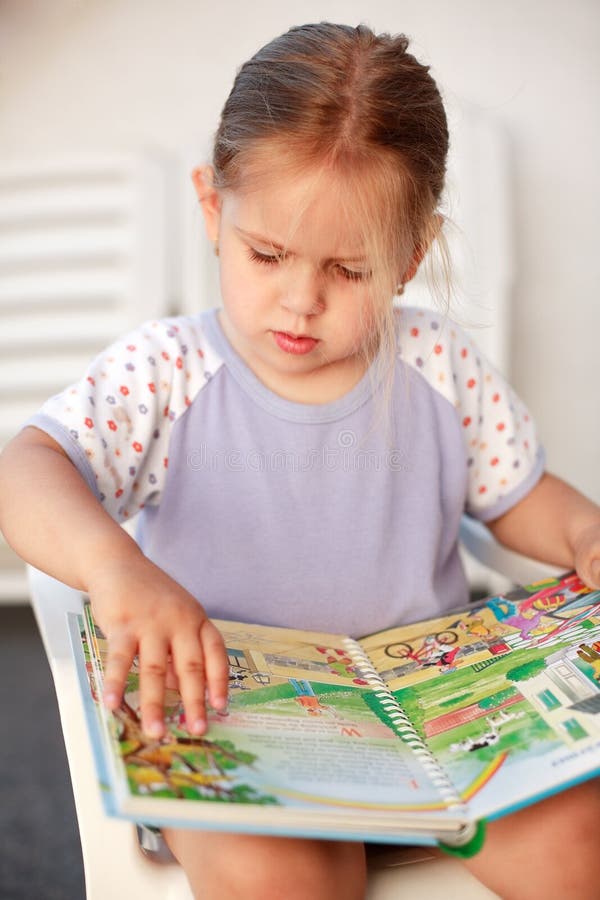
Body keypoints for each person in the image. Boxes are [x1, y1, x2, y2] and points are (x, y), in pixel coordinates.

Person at [1, 21, 599, 900]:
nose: (300, 300)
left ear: (410, 258)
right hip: (238, 721)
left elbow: (514, 499)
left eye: (349, 271)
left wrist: (583, 528)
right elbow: (28, 466)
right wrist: (115, 567)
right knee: (281, 880)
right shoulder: (168, 371)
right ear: (213, 211)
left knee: (577, 843)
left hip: (433, 725)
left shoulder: (437, 364)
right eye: (266, 254)